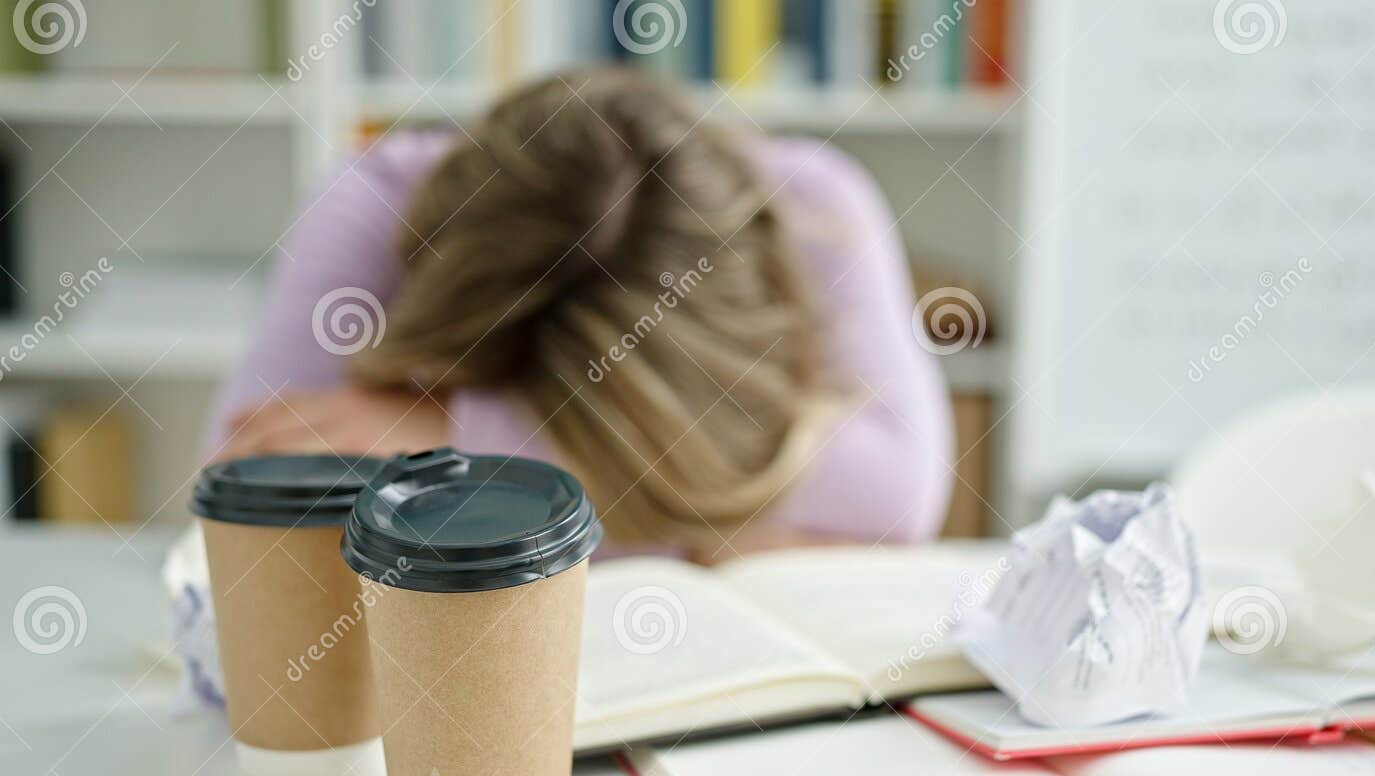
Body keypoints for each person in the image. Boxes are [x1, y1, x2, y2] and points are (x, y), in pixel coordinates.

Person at [206, 69, 952, 560]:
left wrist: (454, 441)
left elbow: (901, 494)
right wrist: (699, 522)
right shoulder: (374, 197)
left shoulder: (811, 202)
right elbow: (247, 482)